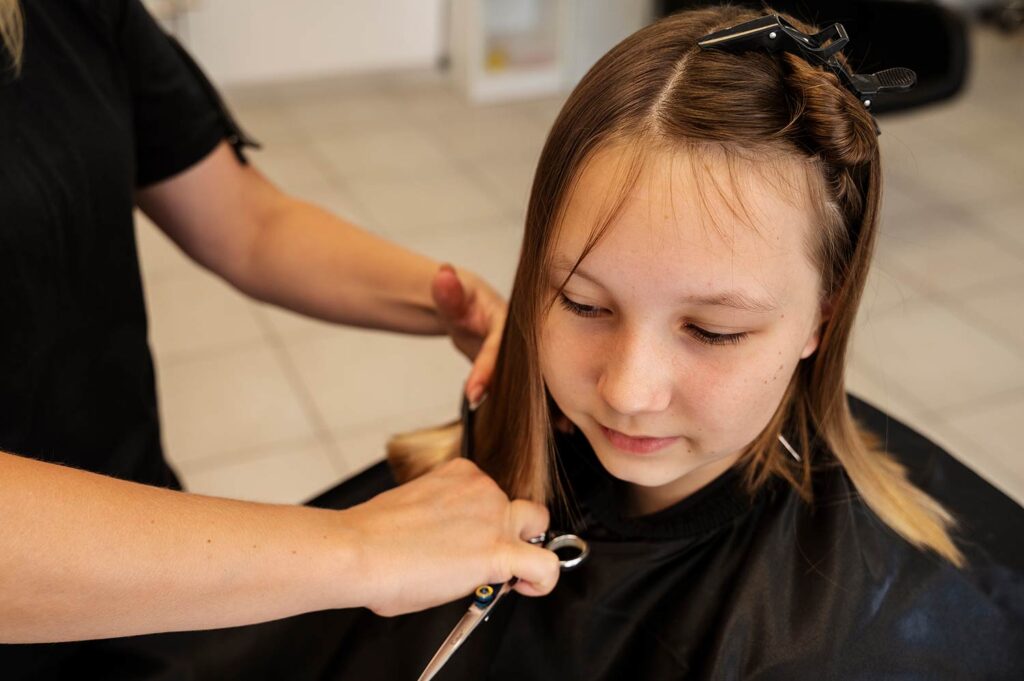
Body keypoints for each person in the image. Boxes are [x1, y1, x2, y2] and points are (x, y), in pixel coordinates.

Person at [131, 5, 1023, 679]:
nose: (628, 389)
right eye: (584, 304)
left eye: (712, 329)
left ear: (822, 317)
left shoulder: (874, 627)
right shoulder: (485, 453)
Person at [0, 0, 560, 670]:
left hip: (150, 554)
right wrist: (356, 546)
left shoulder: (72, 13)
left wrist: (453, 302)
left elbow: (247, 223)